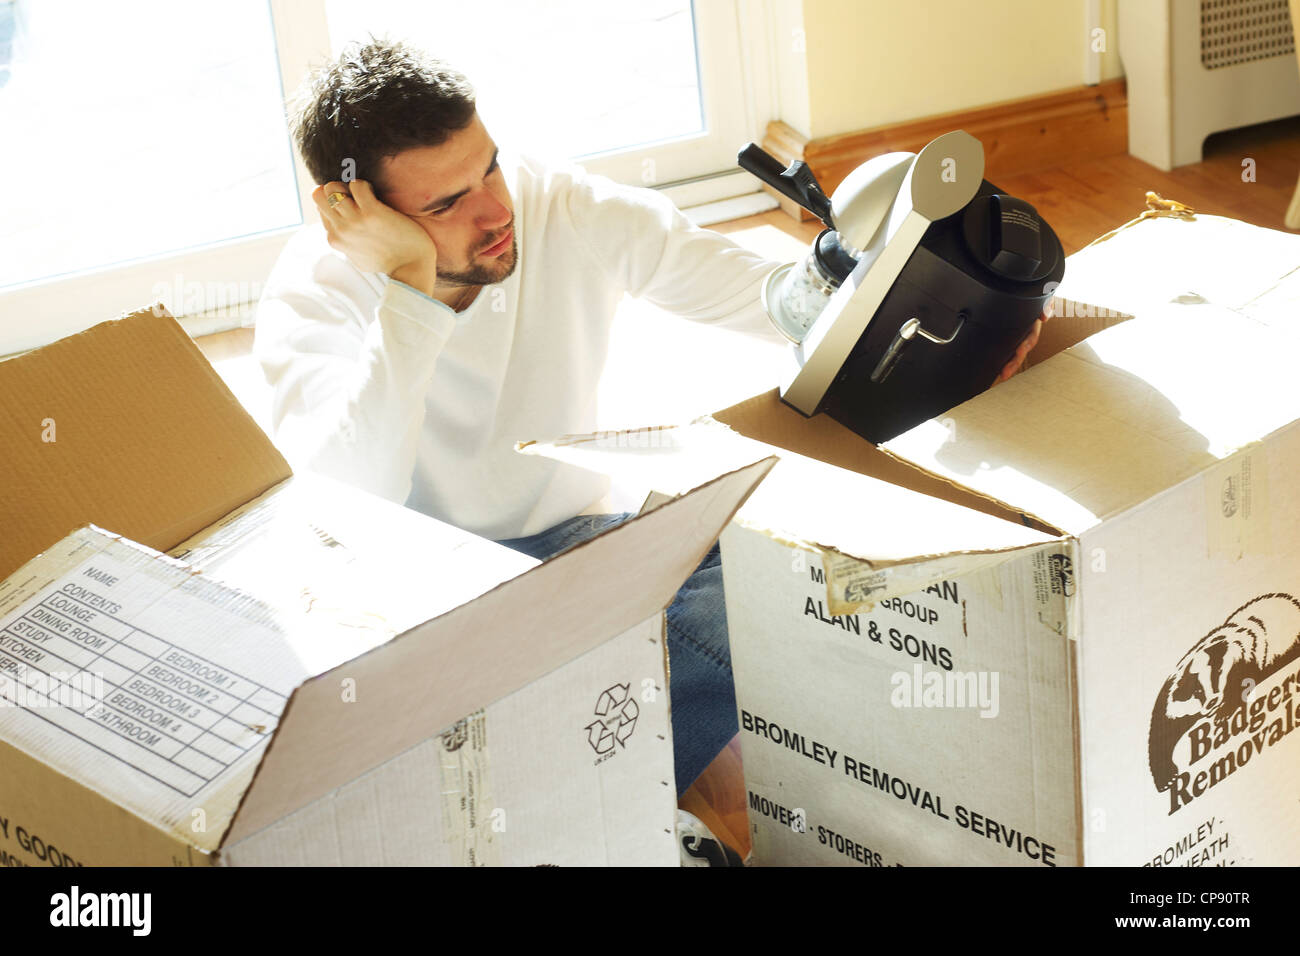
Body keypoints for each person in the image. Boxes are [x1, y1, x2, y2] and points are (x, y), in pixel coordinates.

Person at [254, 39, 1045, 806]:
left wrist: (956, 317)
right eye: (447, 202)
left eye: (487, 164)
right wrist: (410, 297)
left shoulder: (553, 204)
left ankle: (588, 788)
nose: (496, 209)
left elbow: (770, 302)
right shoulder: (312, 298)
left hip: (573, 546)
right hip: (421, 598)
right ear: (348, 209)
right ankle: (604, 782)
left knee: (784, 577)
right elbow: (345, 508)